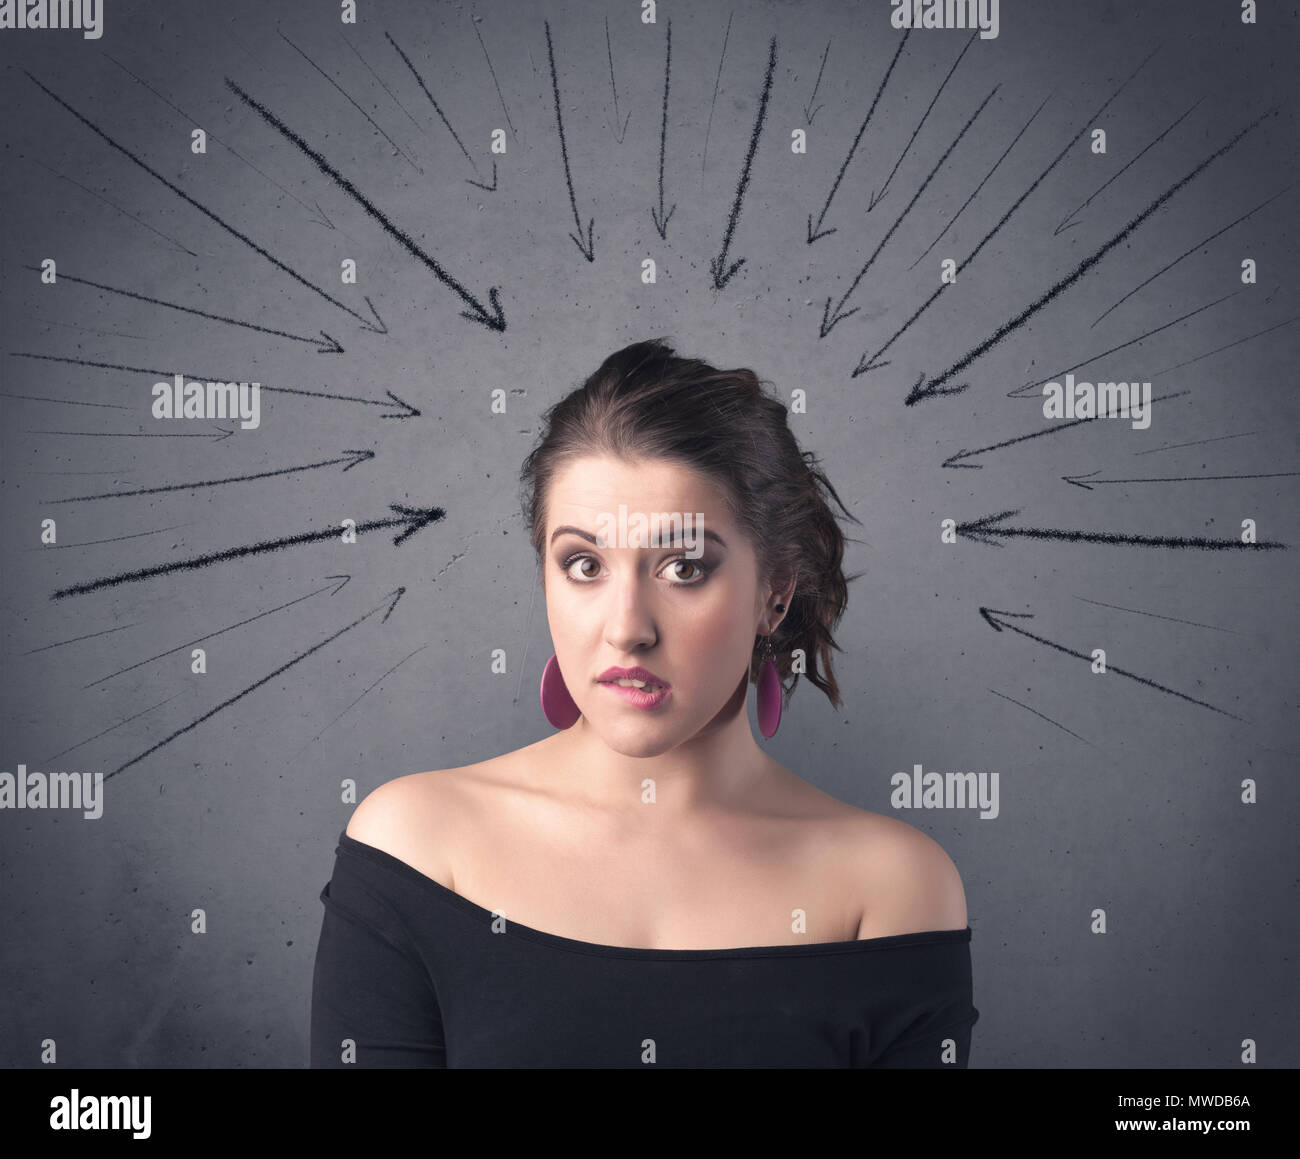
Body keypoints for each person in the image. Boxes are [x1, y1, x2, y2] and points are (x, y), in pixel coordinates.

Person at [309, 338, 978, 1067]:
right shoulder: (415, 847)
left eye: (683, 566)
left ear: (775, 592)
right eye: (585, 564)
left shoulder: (892, 890)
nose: (627, 626)